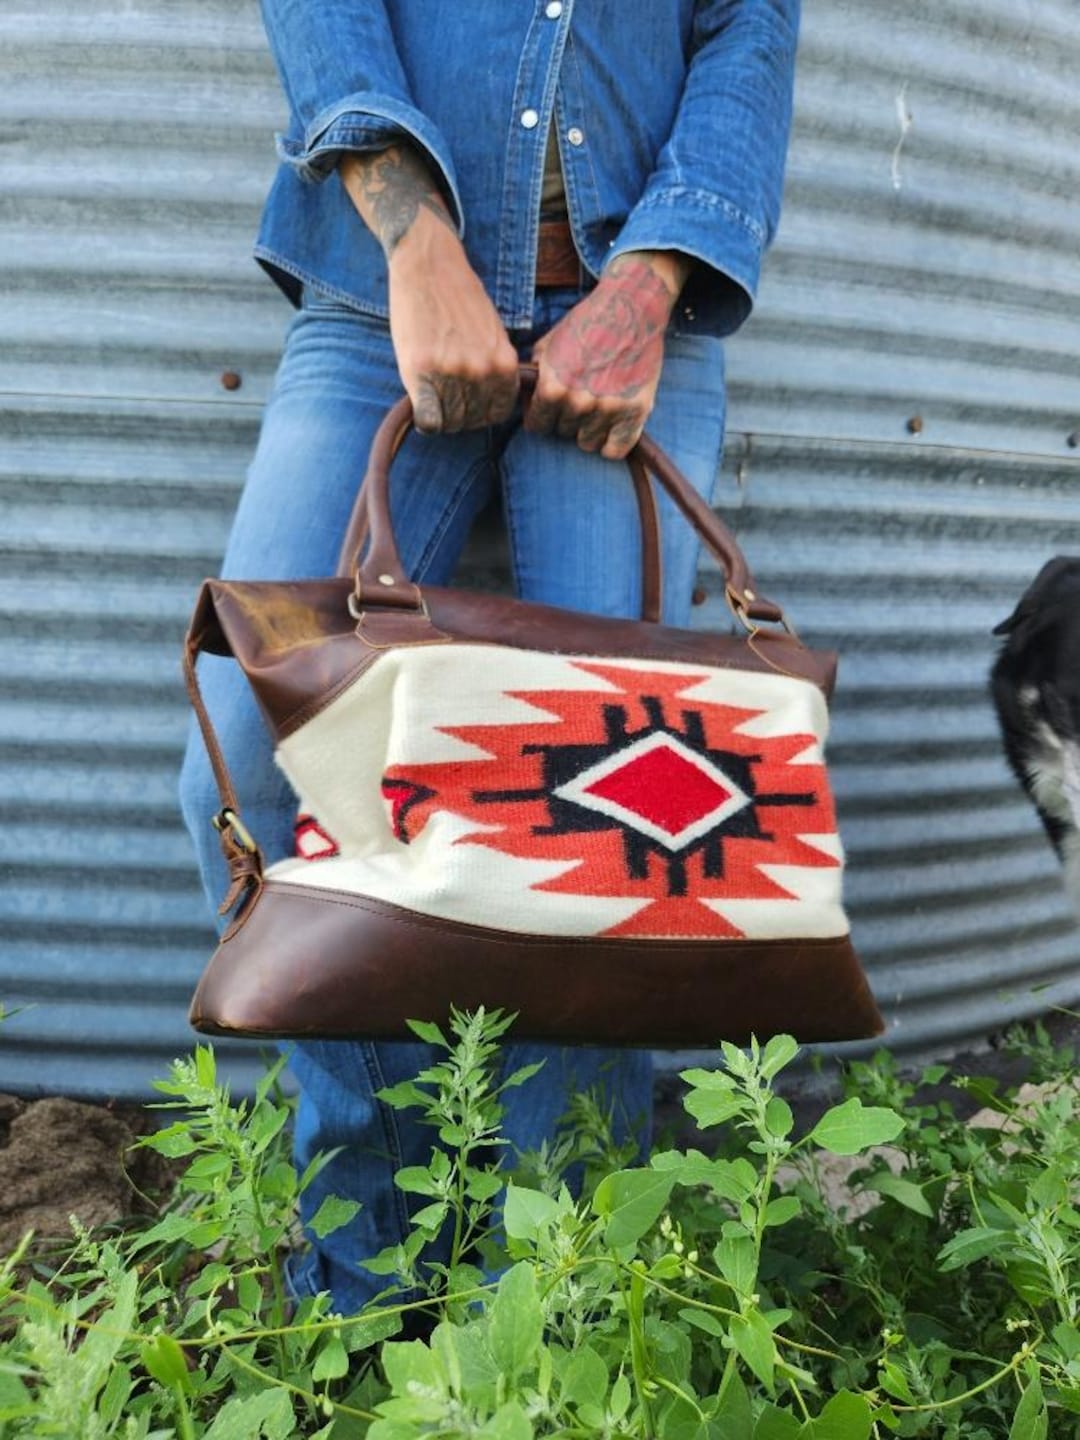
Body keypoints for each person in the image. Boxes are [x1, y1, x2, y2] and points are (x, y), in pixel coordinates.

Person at [179, 0, 800, 1315]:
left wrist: (647, 279)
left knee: (605, 826)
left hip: (632, 311)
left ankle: (559, 1300)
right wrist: (412, 234)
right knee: (254, 768)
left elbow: (748, 29)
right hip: (376, 296)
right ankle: (379, 1276)